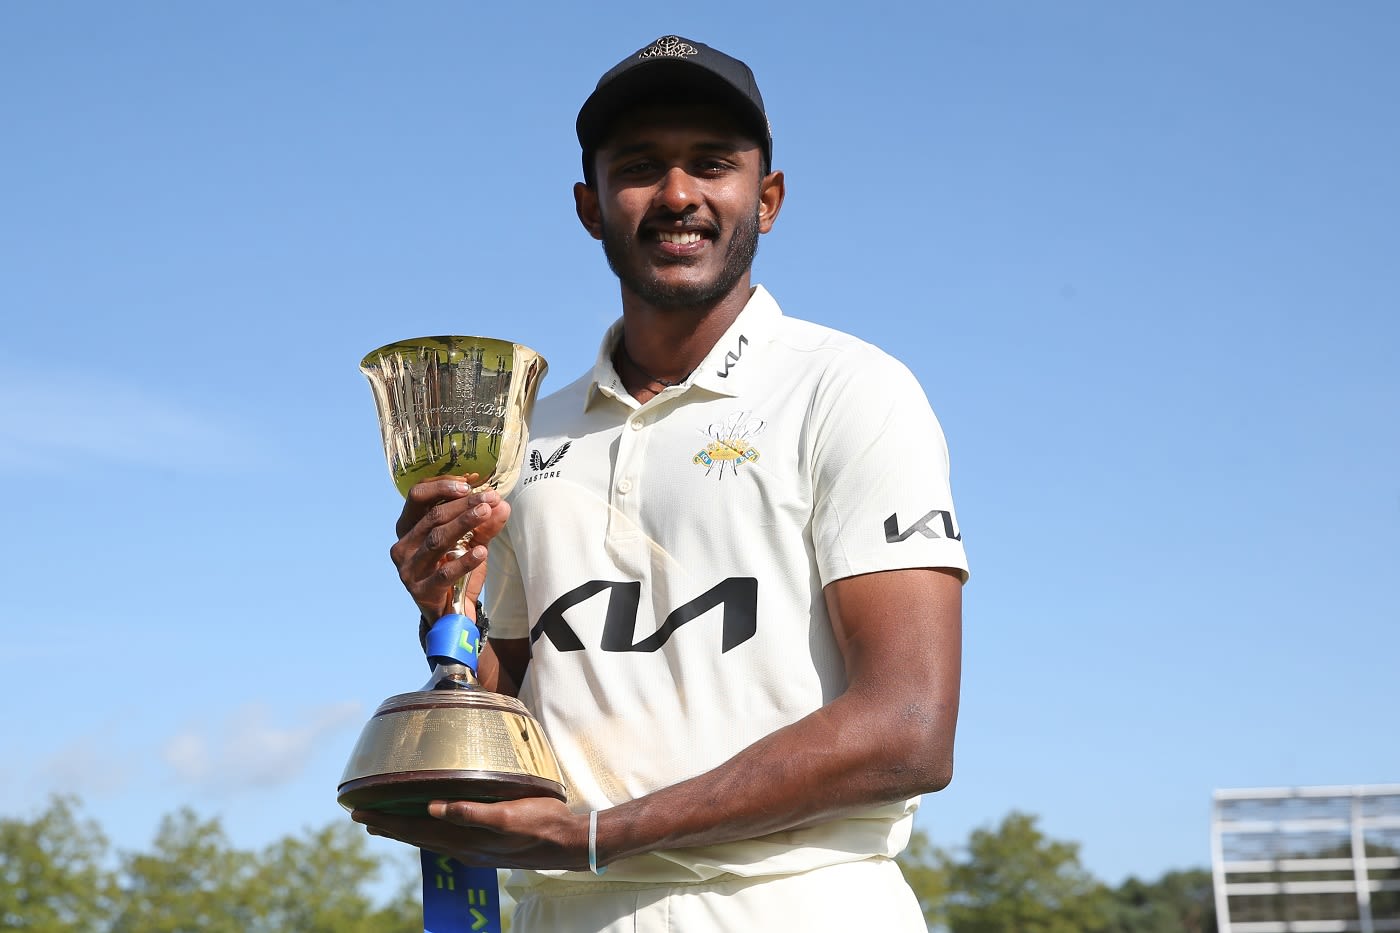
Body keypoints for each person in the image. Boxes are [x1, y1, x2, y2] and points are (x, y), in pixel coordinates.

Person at [355, 34, 968, 932]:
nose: (677, 194)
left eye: (712, 164)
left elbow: (907, 727)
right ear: (590, 206)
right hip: (564, 910)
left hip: (793, 903)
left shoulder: (850, 388)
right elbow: (516, 701)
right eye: (640, 167)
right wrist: (446, 609)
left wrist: (599, 834)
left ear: (768, 197)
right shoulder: (528, 430)